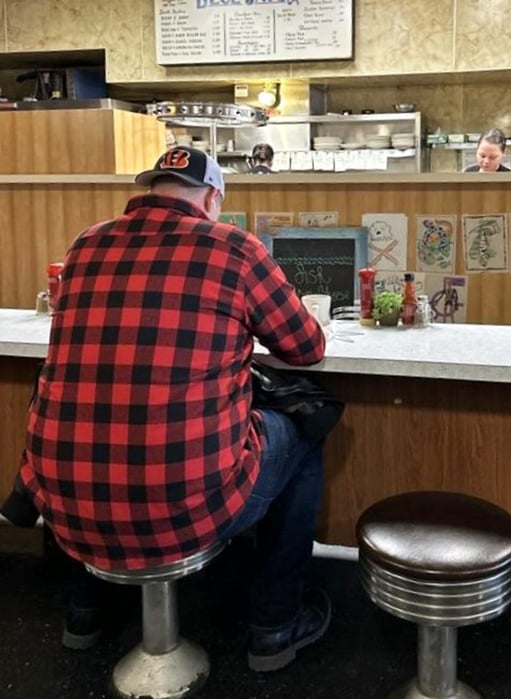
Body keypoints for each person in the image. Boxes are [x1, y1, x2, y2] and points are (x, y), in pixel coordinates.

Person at [17, 145, 329, 673]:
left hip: (62, 505)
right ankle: (274, 624)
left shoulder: (85, 244)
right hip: (186, 512)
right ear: (213, 198)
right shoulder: (234, 248)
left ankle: (84, 612)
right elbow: (307, 348)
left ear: (149, 189)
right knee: (304, 430)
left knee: (89, 423)